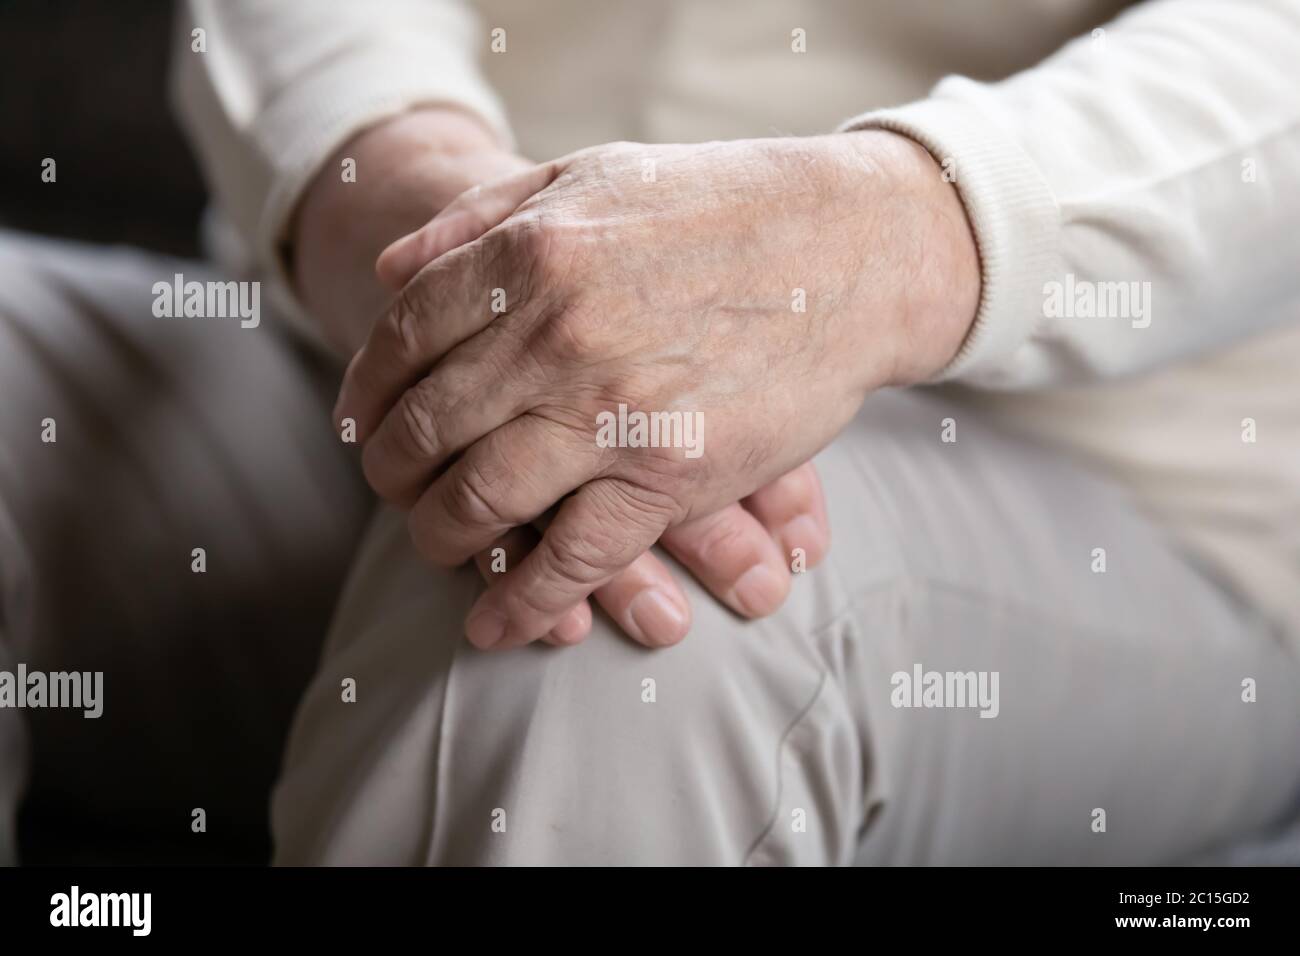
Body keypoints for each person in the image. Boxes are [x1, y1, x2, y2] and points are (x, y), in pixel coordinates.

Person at [3, 0, 1297, 865]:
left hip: (1103, 466)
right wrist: (414, 215)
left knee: (631, 618)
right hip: (385, 326)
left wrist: (887, 238)